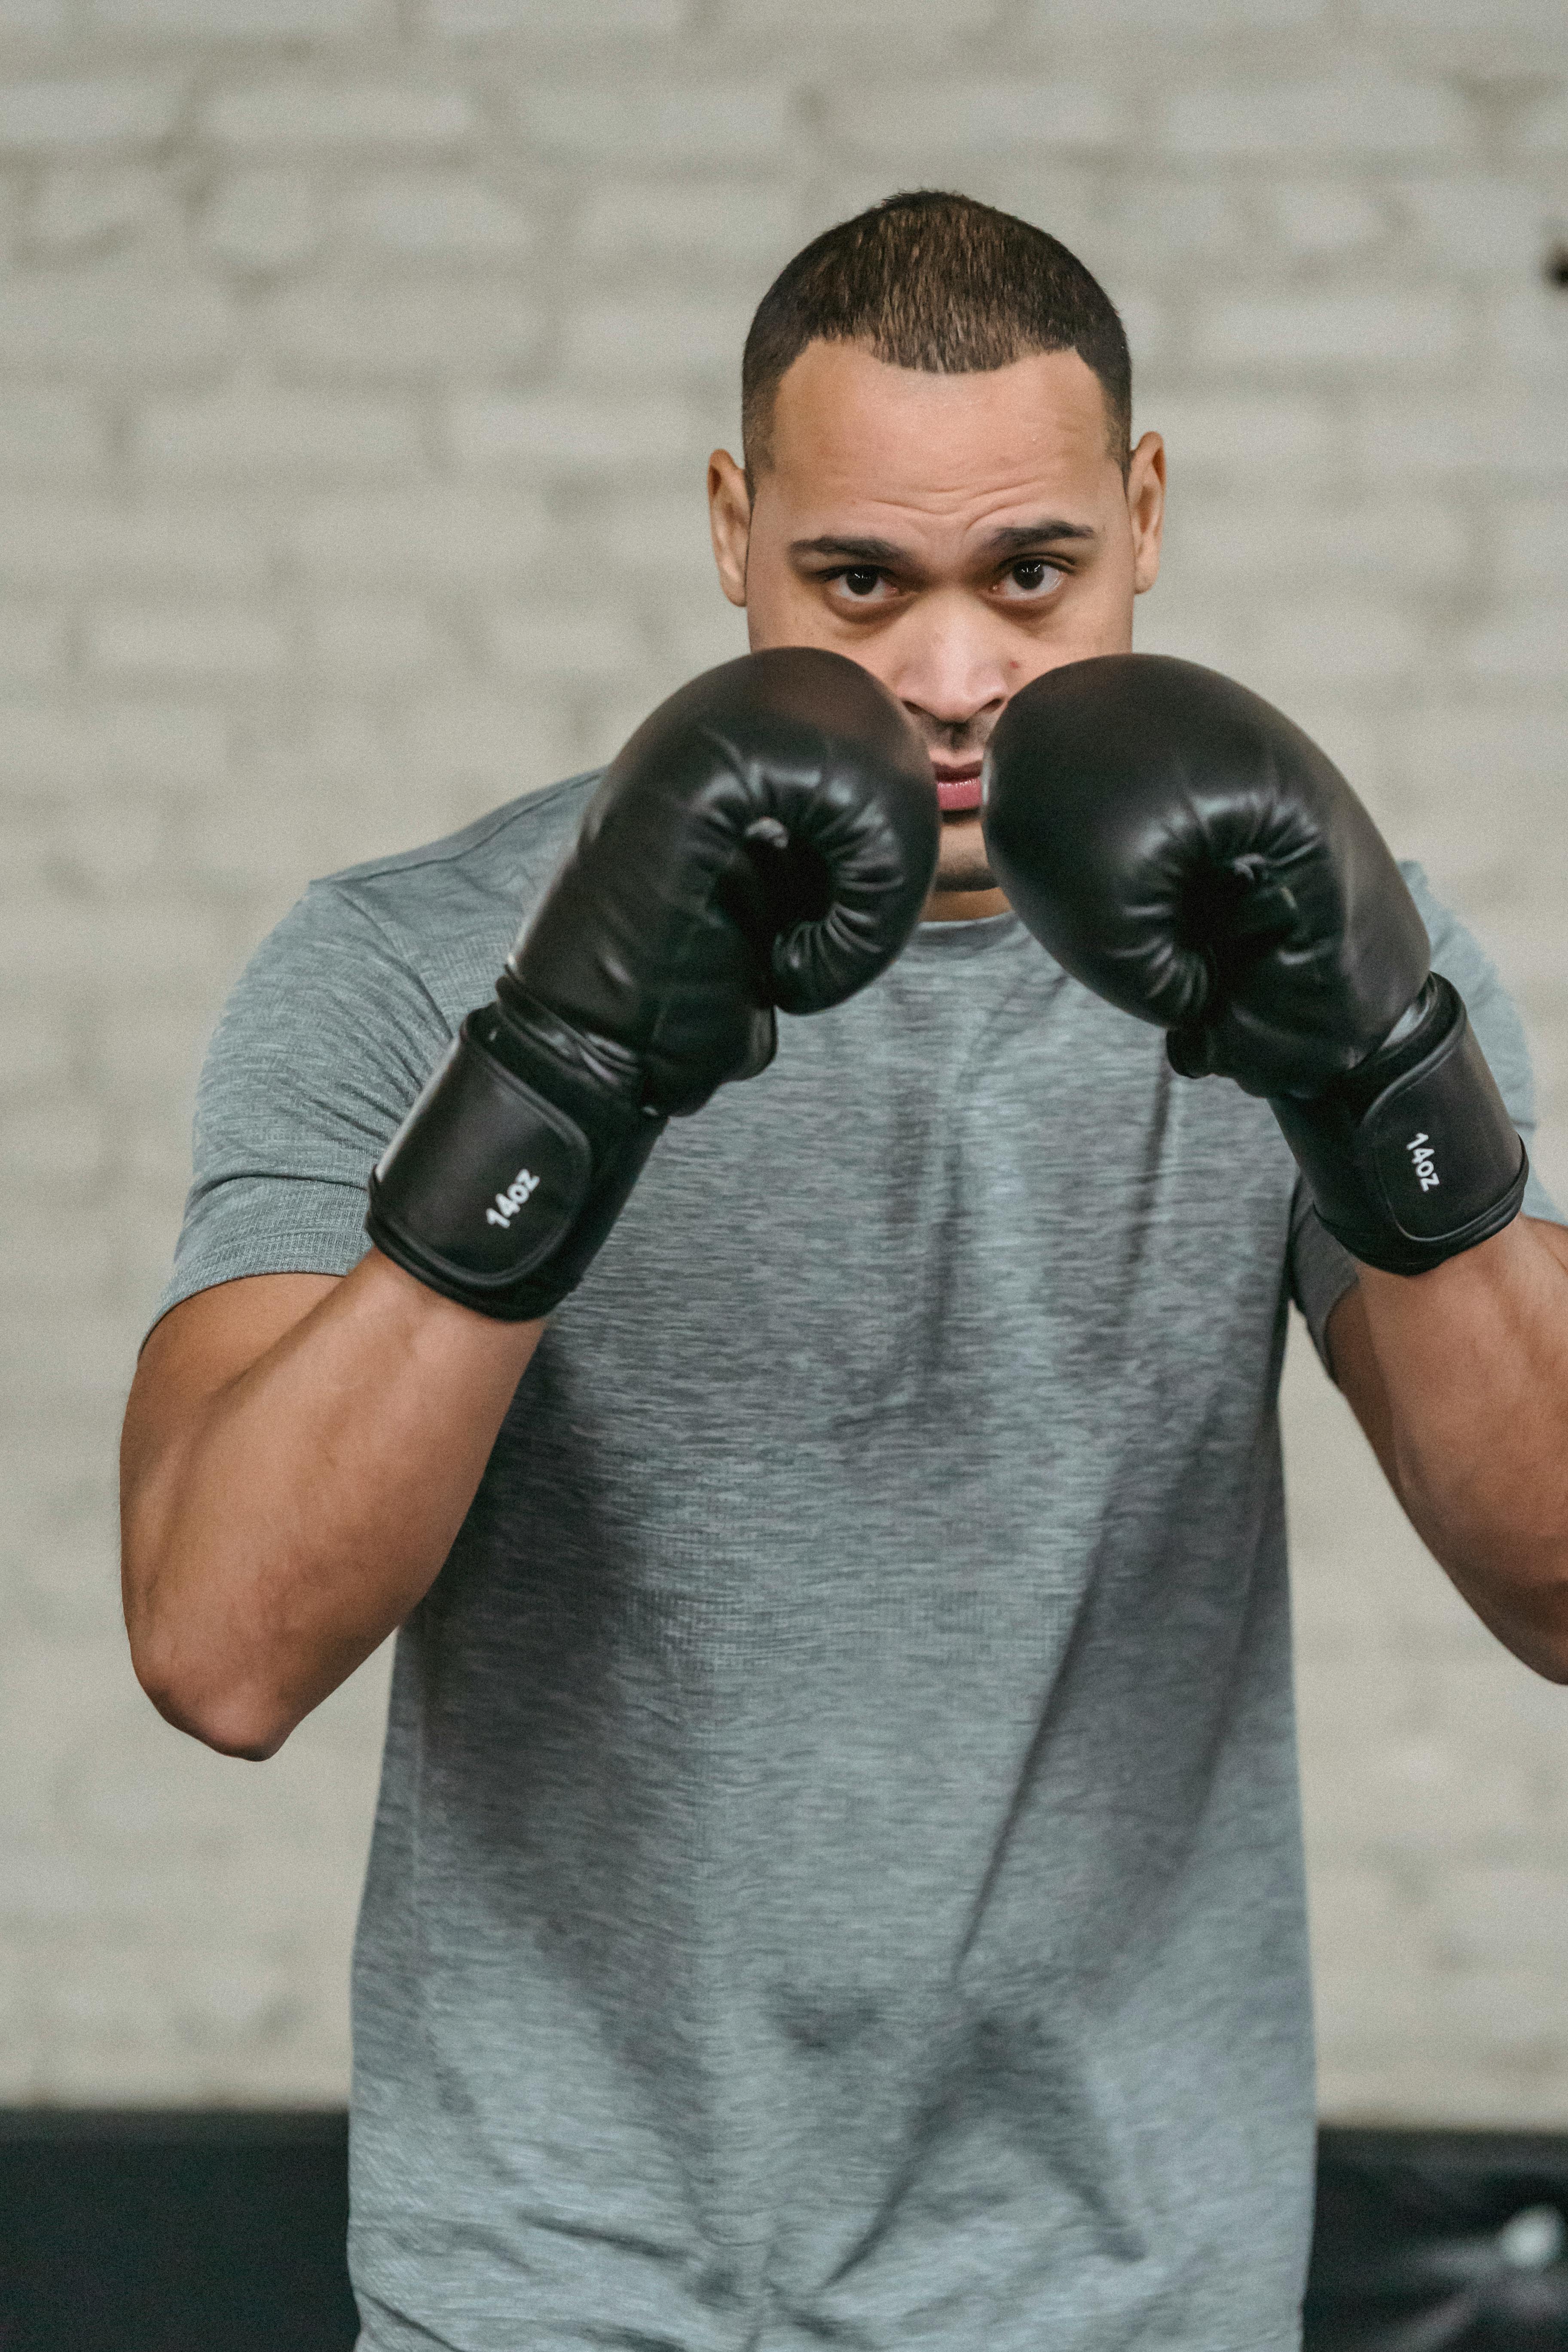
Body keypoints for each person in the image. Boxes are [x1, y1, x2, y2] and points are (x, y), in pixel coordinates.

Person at [120, 192, 1568, 2351]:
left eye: (1031, 573)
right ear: (734, 524)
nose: (957, 670)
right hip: (553, 2285)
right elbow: (224, 1647)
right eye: (861, 580)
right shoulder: (408, 959)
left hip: (1125, 2286)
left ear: (1145, 512)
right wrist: (569, 1062)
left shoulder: (1316, 954)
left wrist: (1372, 1066)